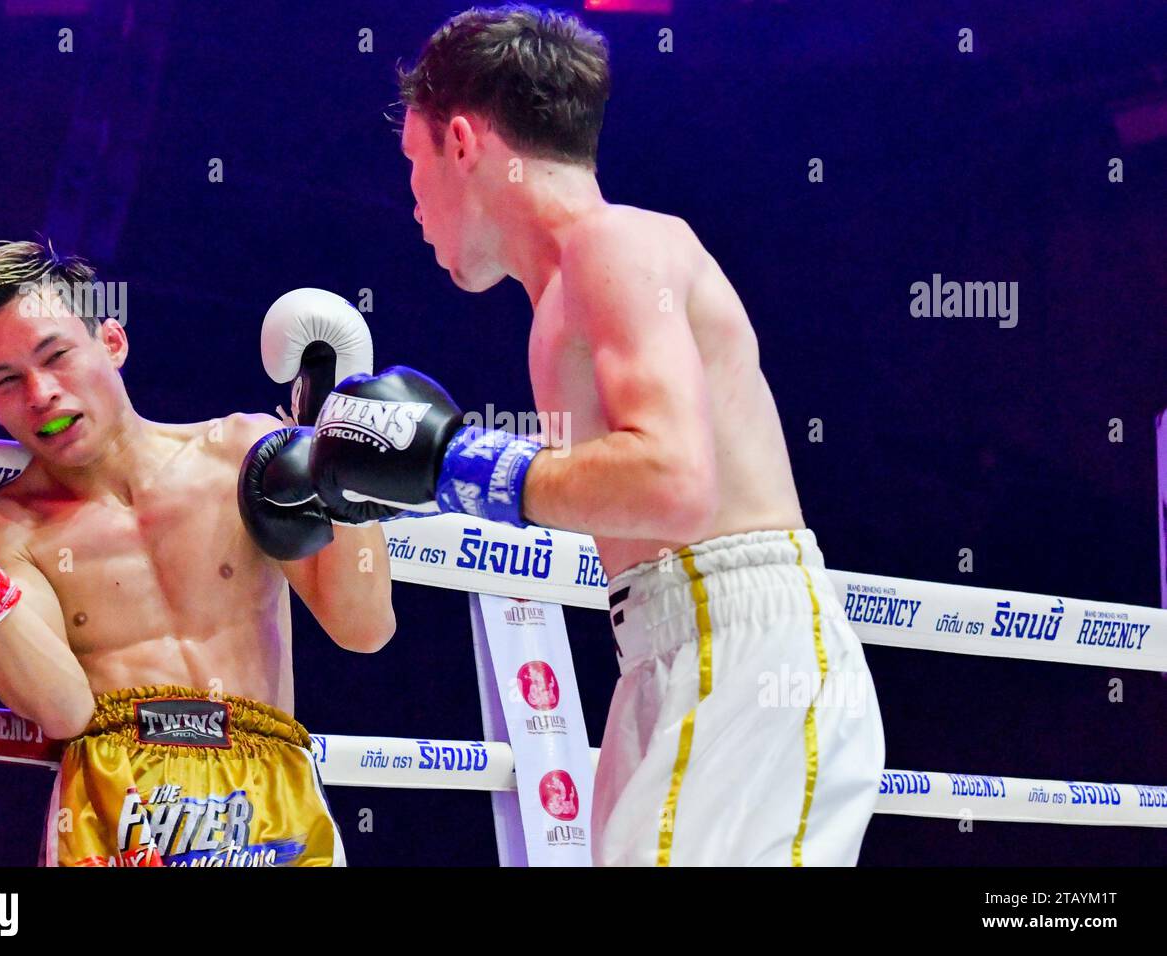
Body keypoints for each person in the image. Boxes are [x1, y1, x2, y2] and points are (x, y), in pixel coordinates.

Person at [289, 5, 884, 865]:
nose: (411, 202)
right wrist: (420, 484)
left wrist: (455, 463)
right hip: (672, 648)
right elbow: (595, 486)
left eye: (412, 164)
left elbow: (674, 482)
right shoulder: (561, 301)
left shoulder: (616, 247)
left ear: (462, 142)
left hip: (740, 647)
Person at [0, 240, 393, 866]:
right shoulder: (6, 530)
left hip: (274, 794)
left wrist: (343, 464)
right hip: (118, 805)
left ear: (111, 342)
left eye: (56, 356)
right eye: (6, 380)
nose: (40, 393)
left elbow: (364, 628)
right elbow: (63, 709)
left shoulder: (242, 455)